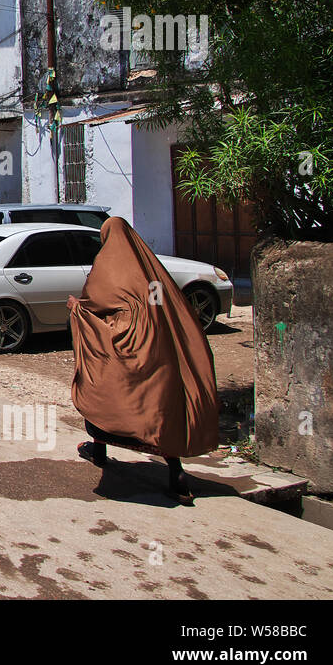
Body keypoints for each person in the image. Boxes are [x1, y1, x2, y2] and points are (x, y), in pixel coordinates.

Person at [68, 216, 219, 505]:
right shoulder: (153, 273)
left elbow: (95, 304)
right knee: (158, 411)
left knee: (101, 388)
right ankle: (178, 478)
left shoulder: (108, 266)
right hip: (157, 350)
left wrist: (76, 308)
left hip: (121, 346)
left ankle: (99, 451)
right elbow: (166, 307)